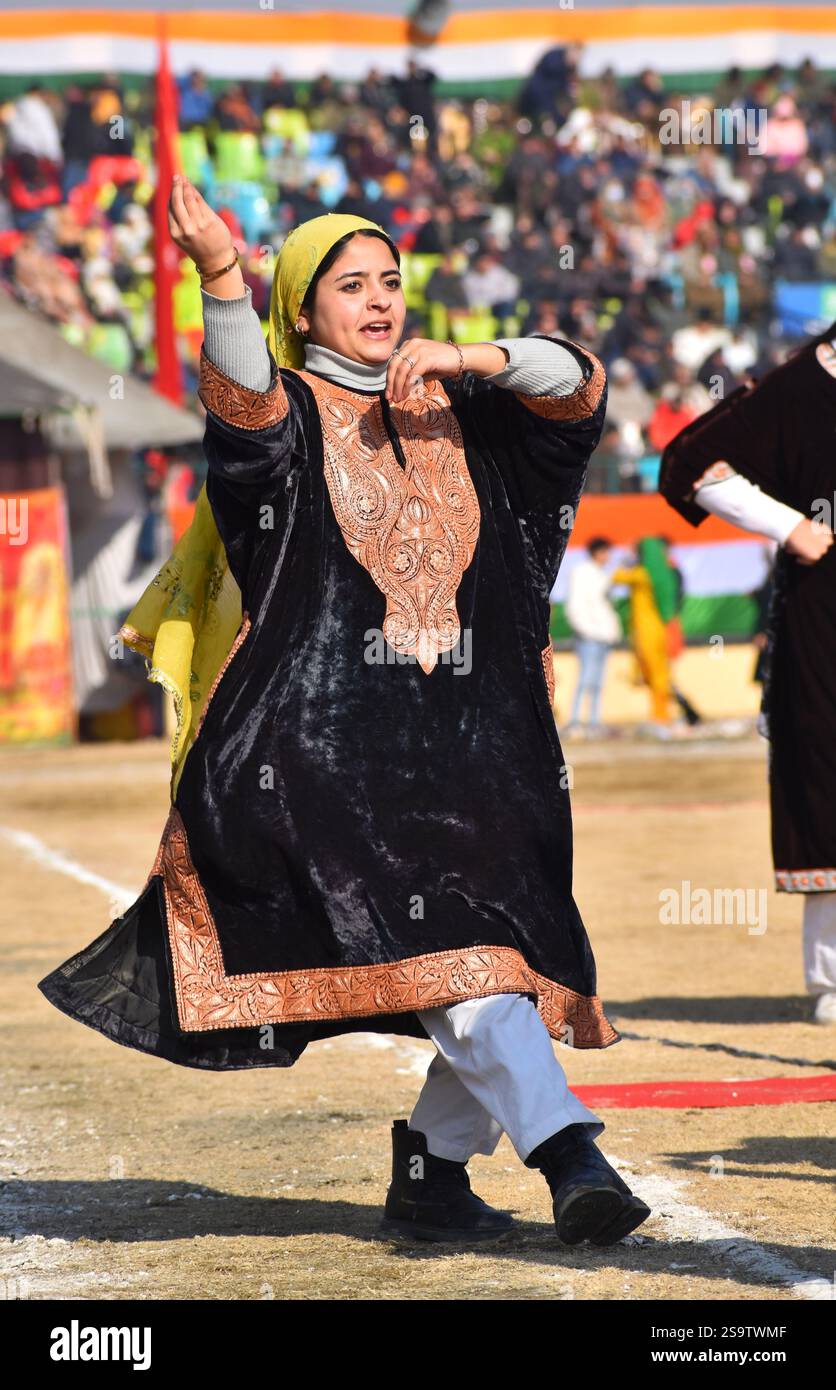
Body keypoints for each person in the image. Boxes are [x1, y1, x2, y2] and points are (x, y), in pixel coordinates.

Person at [38, 178, 651, 1246]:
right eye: (348, 286)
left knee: (493, 960)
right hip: (333, 767)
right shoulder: (279, 430)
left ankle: (428, 1174)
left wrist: (474, 358)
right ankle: (572, 1159)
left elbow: (577, 385)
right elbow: (236, 395)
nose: (378, 302)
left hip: (483, 760)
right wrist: (220, 276)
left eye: (391, 283)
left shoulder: (471, 413)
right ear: (302, 310)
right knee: (468, 963)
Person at [658, 325, 836, 1024]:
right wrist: (787, 524)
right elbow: (690, 462)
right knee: (828, 779)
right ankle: (833, 979)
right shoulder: (799, 387)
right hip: (825, 619)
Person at [609, 537, 680, 729]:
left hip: (646, 632)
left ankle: (660, 716)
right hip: (661, 630)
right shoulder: (665, 573)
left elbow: (616, 577)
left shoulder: (641, 574)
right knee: (661, 672)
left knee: (654, 674)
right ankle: (662, 714)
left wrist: (626, 560)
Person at [565, 537, 620, 732]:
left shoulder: (601, 574)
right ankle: (575, 720)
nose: (608, 557)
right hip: (589, 637)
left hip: (603, 637)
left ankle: (594, 721)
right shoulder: (581, 572)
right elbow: (575, 606)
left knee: (598, 681)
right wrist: (586, 630)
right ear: (596, 552)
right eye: (605, 552)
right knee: (585, 679)